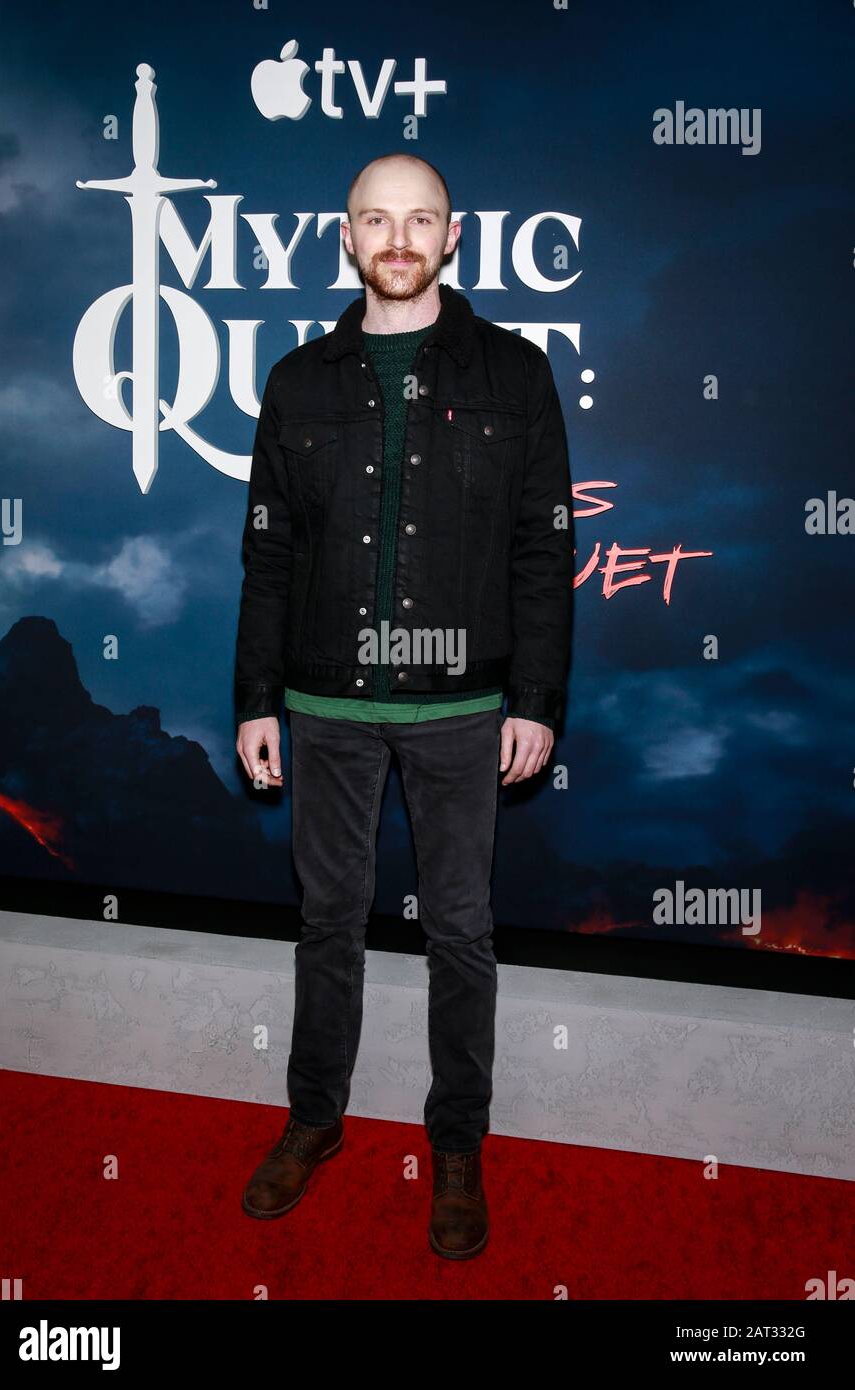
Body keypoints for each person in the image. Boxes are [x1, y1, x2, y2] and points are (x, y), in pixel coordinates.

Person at [234, 152, 573, 1259]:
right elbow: (268, 562)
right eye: (376, 219)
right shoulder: (297, 383)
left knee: (463, 933)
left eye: (418, 219)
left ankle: (459, 1145)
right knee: (326, 921)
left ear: (450, 235)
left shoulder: (516, 374)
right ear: (346, 236)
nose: (397, 237)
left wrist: (535, 699)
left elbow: (541, 553)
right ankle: (315, 1118)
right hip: (325, 705)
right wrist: (255, 700)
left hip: (466, 709)